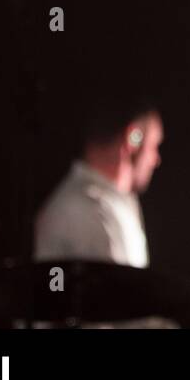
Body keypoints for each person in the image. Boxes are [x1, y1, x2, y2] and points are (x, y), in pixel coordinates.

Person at [33, 102, 164, 268]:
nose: (156, 159)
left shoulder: (119, 203)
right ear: (133, 138)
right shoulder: (78, 208)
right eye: (154, 146)